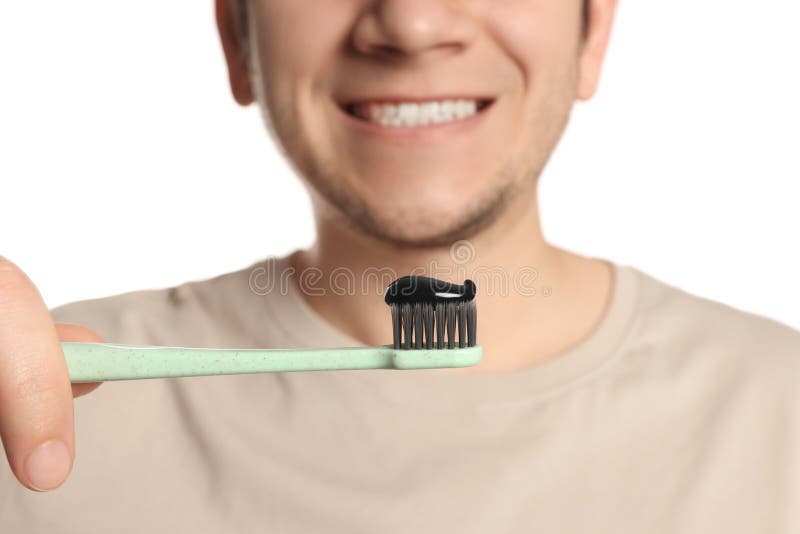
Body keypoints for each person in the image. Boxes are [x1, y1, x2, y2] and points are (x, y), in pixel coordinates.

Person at [1, 0, 798, 532]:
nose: (412, 23)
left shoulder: (780, 415)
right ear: (235, 38)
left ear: (594, 31)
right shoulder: (36, 407)